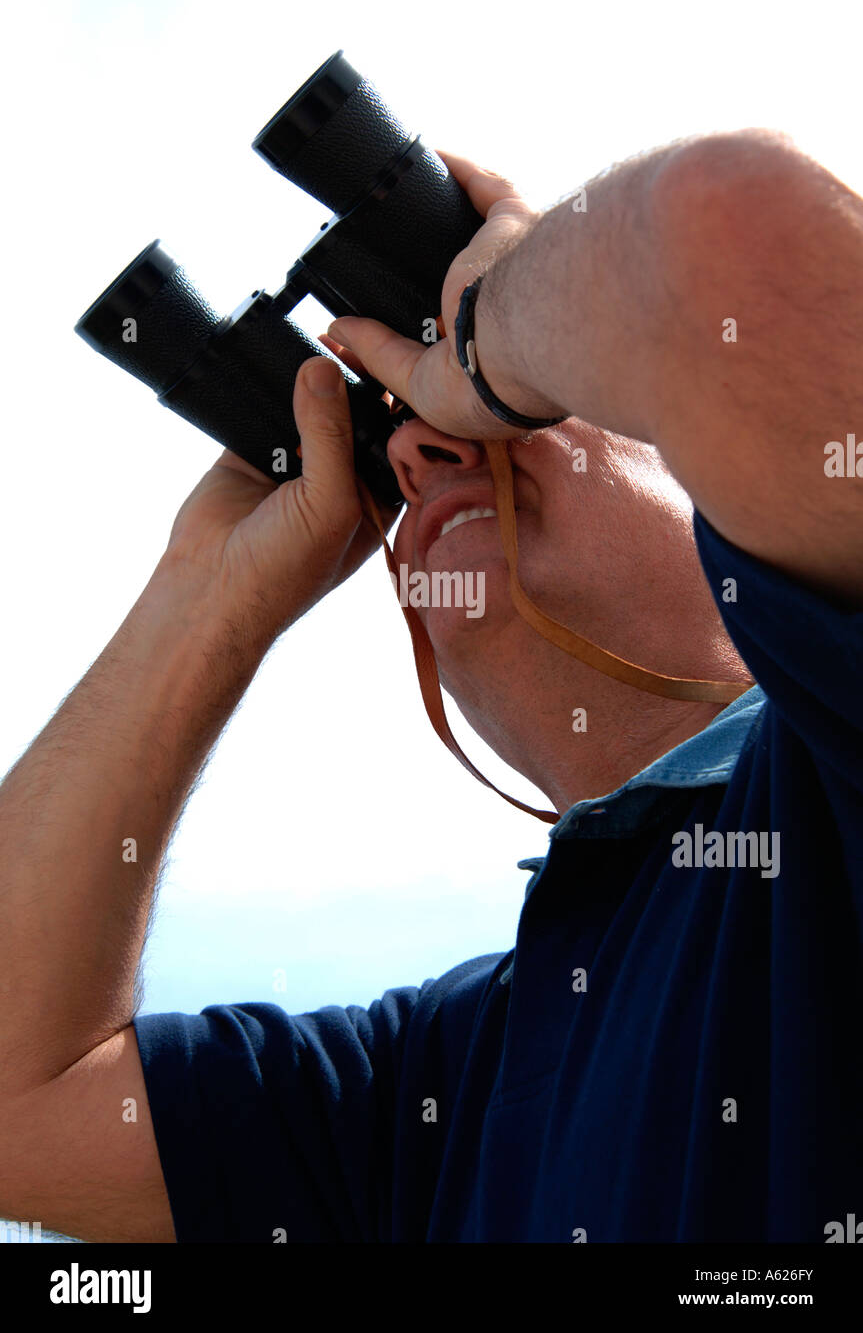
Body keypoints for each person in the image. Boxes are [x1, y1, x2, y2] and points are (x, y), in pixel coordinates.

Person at [0, 133, 860, 1244]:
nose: (425, 452)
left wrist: (487, 336)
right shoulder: (444, 1088)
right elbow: (20, 1105)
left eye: (518, 423)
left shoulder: (825, 768)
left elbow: (743, 242)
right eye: (403, 454)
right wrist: (205, 599)